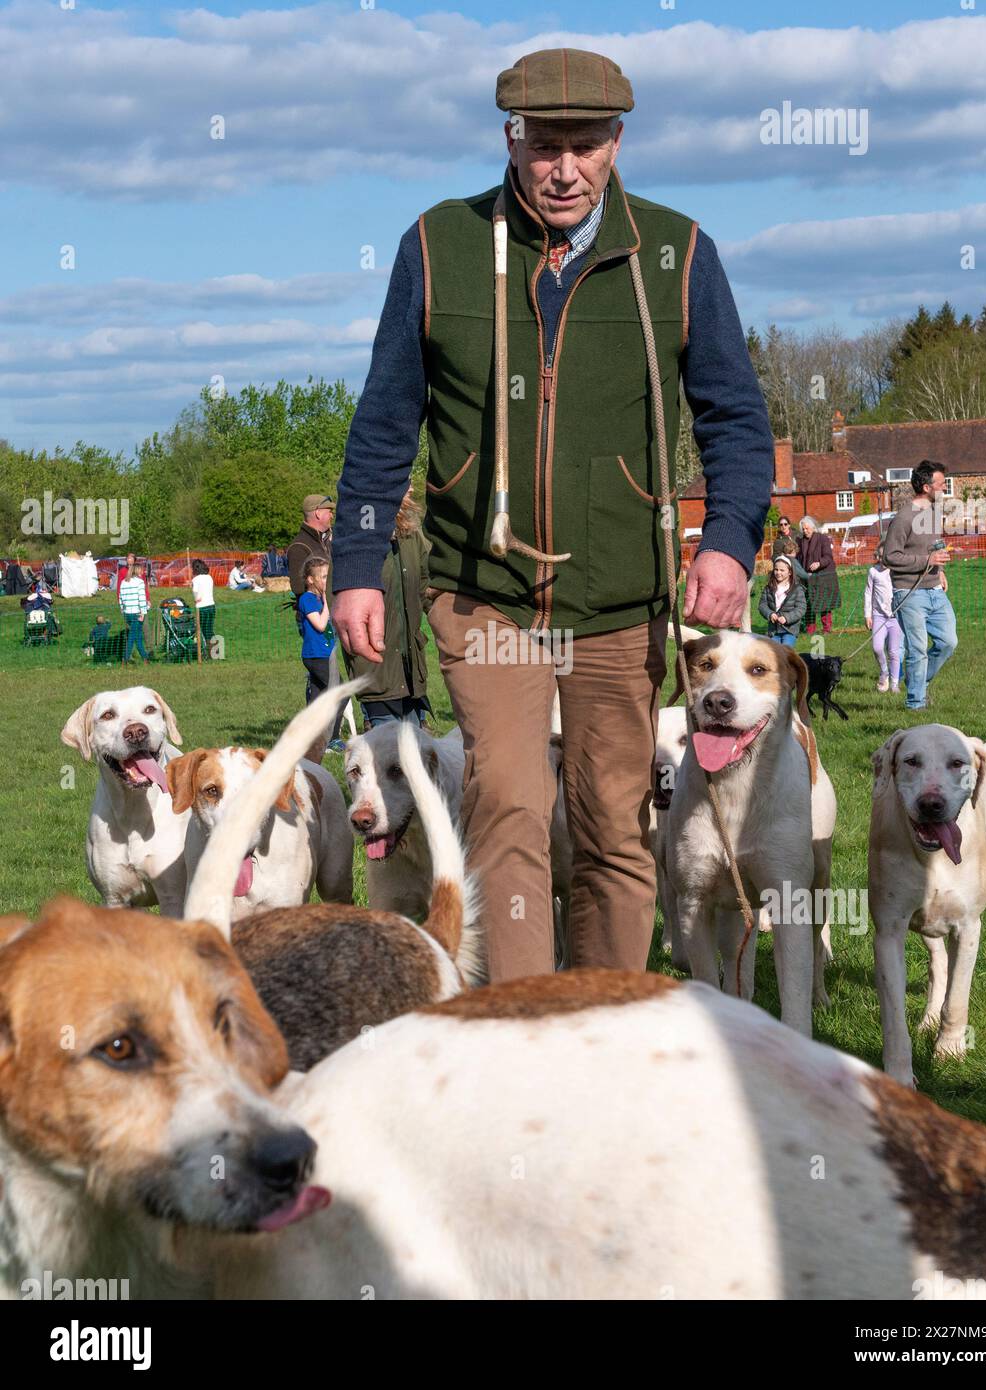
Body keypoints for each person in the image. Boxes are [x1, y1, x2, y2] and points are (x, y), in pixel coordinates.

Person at [329, 47, 774, 981]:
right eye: (544, 146)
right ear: (511, 139)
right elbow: (383, 417)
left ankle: (604, 1027)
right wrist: (358, 564)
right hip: (481, 594)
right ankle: (524, 1028)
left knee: (615, 823)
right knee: (508, 810)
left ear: (617, 142)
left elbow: (734, 416)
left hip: (618, 599)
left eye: (586, 144)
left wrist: (730, 540)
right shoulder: (436, 244)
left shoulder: (678, 251)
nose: (564, 168)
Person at [343, 486, 432, 730]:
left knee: (415, 751)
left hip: (411, 669)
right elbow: (341, 599)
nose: (412, 487)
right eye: (405, 479)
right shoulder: (356, 534)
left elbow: (428, 588)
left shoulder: (412, 536)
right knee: (388, 755)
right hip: (376, 668)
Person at [881, 460, 956, 711]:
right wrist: (927, 560)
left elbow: (934, 546)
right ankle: (915, 704)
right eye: (941, 484)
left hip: (935, 590)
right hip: (909, 593)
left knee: (948, 642)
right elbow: (889, 556)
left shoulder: (933, 514)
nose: (944, 488)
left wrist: (940, 568)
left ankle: (917, 684)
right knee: (918, 649)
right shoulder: (903, 517)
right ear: (926, 487)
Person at [299, 557, 347, 753]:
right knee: (342, 692)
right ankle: (332, 739)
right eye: (324, 577)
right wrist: (327, 602)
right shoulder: (307, 599)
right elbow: (319, 624)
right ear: (311, 579)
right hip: (316, 656)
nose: (328, 580)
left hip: (326, 654)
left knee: (317, 697)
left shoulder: (319, 599)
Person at [864, 545, 902, 693]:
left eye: (885, 557)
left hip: (895, 617)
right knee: (877, 647)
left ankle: (894, 683)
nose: (882, 560)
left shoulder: (896, 572)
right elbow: (868, 593)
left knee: (894, 651)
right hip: (878, 616)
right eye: (879, 557)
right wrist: (868, 615)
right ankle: (884, 671)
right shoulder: (873, 571)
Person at [796, 516, 840, 635]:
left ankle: (827, 628)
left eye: (807, 528)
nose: (805, 531)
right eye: (803, 529)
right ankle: (810, 630)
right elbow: (799, 558)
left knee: (824, 603)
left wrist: (819, 563)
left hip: (823, 576)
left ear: (813, 527)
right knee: (809, 604)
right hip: (808, 577)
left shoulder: (823, 538)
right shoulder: (801, 541)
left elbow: (828, 557)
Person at [758, 555, 805, 646]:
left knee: (785, 653)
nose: (778, 572)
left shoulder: (797, 589)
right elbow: (762, 605)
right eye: (776, 569)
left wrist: (787, 618)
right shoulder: (769, 588)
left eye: (782, 570)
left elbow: (801, 608)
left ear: (790, 572)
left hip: (790, 630)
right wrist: (770, 614)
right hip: (773, 631)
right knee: (773, 653)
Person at [119, 562, 151, 664]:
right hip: (137, 613)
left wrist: (122, 609)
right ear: (137, 571)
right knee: (132, 637)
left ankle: (145, 658)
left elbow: (121, 598)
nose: (143, 572)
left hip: (127, 613)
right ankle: (125, 658)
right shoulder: (140, 582)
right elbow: (142, 598)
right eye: (141, 570)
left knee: (137, 637)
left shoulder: (124, 582)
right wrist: (143, 611)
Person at [191, 559, 216, 652]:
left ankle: (204, 651)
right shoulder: (209, 577)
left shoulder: (195, 579)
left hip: (201, 608)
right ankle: (215, 652)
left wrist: (196, 598)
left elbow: (195, 591)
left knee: (201, 630)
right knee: (209, 629)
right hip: (211, 606)